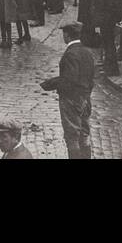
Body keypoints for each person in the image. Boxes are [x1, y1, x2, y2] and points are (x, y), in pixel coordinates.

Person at [40, 21, 95, 159]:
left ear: (67, 35)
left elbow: (69, 80)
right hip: (85, 98)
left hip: (71, 99)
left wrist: (50, 83)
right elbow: (91, 77)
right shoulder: (87, 52)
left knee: (72, 135)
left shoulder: (70, 54)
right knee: (84, 133)